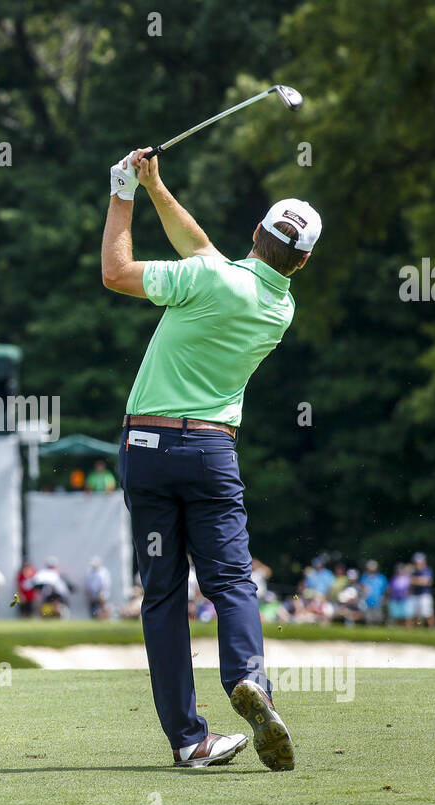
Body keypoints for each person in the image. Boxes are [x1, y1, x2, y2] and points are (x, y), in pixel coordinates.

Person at [101, 146, 314, 770]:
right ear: (301, 261)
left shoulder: (205, 277)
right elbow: (205, 252)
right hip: (212, 454)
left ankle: (189, 740)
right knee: (230, 581)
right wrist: (155, 187)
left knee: (163, 596)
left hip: (147, 450)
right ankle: (250, 681)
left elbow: (117, 272)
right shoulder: (280, 306)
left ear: (256, 232)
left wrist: (121, 193)